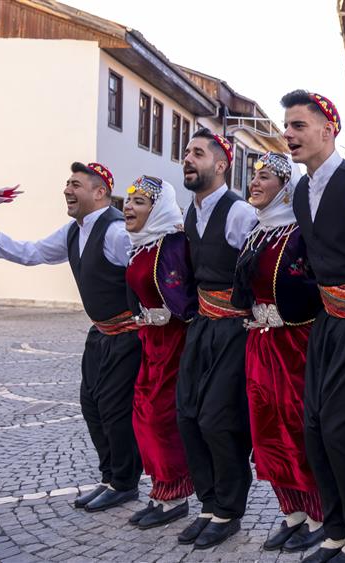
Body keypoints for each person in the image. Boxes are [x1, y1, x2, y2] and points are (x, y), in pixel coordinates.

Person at [0, 162, 143, 513]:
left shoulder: (116, 232)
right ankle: (110, 478)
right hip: (100, 334)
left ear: (99, 192)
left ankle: (124, 483)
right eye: (67, 184)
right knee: (92, 406)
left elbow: (148, 273)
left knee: (114, 410)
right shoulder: (73, 231)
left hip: (128, 336)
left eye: (75, 184)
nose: (66, 190)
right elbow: (31, 253)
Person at [283, 90, 345, 563]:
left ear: (329, 130)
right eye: (287, 126)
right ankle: (335, 532)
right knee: (316, 428)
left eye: (299, 125)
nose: (288, 134)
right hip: (326, 324)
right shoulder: (301, 191)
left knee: (344, 431)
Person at [230, 152, 326, 553]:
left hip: (295, 345)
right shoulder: (257, 231)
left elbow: (313, 288)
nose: (254, 182)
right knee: (266, 427)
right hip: (262, 343)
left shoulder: (300, 233)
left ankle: (319, 514)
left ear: (285, 187)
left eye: (265, 176)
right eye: (254, 176)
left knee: (297, 428)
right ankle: (292, 512)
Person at [174, 128, 257, 549]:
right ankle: (208, 504)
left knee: (218, 420)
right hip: (202, 326)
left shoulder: (239, 212)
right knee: (187, 415)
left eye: (198, 154)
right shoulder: (190, 213)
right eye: (187, 153)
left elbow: (261, 267)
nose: (188, 159)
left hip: (233, 330)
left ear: (221, 165)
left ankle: (228, 510)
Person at [121, 175, 197, 529]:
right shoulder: (140, 244)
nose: (128, 206)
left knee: (161, 417)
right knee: (142, 415)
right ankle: (159, 490)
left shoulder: (174, 242)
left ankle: (175, 496)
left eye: (139, 202)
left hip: (174, 343)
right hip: (151, 341)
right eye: (129, 200)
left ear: (157, 208)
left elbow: (186, 291)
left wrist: (174, 313)